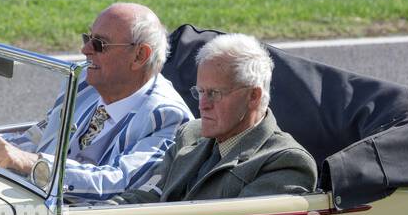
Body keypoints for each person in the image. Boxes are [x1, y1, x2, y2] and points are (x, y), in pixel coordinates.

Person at [0, 3, 191, 201]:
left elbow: (118, 182)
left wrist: (32, 164)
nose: (84, 50)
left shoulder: (166, 116)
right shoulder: (83, 82)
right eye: (87, 38)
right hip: (33, 205)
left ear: (140, 56)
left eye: (99, 45)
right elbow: (35, 140)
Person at [111, 33, 316, 204]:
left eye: (214, 94)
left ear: (253, 96)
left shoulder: (285, 162)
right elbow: (147, 195)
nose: (202, 104)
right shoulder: (190, 135)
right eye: (200, 92)